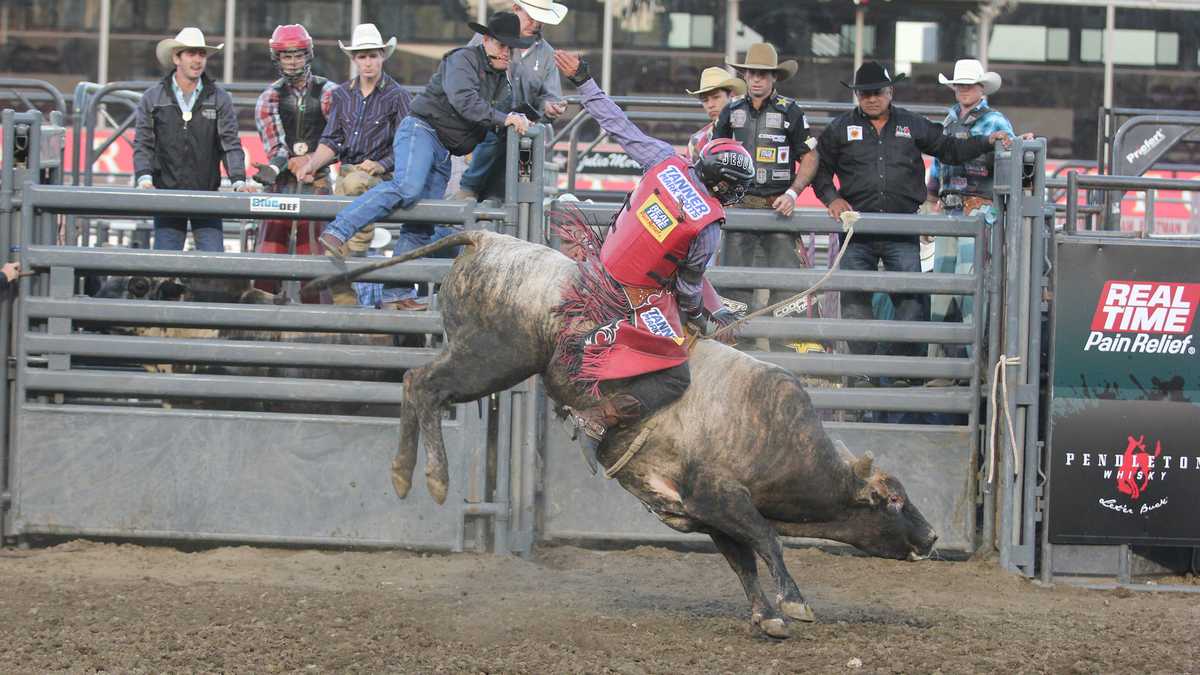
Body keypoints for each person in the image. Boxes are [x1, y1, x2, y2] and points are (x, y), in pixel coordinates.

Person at [552, 50, 755, 472]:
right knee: (676, 375)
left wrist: (584, 80)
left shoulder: (666, 160)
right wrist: (702, 317)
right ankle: (598, 419)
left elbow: (618, 125)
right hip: (632, 296)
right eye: (735, 187)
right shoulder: (709, 226)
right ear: (723, 183)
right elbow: (686, 288)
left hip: (598, 267)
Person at [318, 12, 557, 305]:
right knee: (408, 187)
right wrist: (508, 117)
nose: (506, 52)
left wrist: (533, 112)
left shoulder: (501, 84)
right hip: (423, 130)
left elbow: (498, 113)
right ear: (485, 41)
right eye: (501, 45)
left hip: (444, 149)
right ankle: (339, 230)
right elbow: (465, 102)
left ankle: (397, 292)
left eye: (511, 47)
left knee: (423, 222)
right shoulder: (463, 60)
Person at [813, 61, 1011, 387]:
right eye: (865, 94)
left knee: (910, 300)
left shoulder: (912, 124)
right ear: (857, 96)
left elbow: (949, 148)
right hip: (857, 226)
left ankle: (903, 371)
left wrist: (987, 142)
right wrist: (831, 198)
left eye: (877, 92)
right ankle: (865, 372)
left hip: (900, 225)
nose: (871, 99)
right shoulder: (841, 128)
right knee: (855, 298)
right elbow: (820, 166)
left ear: (889, 92)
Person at [293, 23, 412, 305]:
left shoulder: (398, 95)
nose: (368, 62)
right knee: (348, 184)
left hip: (379, 178)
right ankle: (347, 301)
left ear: (382, 56)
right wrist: (311, 163)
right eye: (362, 56)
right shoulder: (342, 95)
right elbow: (332, 139)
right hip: (346, 174)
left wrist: (381, 164)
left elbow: (408, 144)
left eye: (372, 55)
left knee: (354, 186)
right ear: (354, 59)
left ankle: (349, 253)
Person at [713, 43, 819, 350]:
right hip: (740, 207)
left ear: (774, 78)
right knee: (734, 280)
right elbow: (714, 154)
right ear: (745, 76)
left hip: (778, 206)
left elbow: (810, 155)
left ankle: (783, 344)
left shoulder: (791, 110)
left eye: (763, 74)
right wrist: (721, 192)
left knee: (784, 279)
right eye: (751, 73)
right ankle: (737, 343)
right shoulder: (731, 112)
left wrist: (793, 192)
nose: (756, 79)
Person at [134, 27, 256, 252]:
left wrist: (238, 180)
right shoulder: (153, 98)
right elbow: (143, 143)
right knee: (166, 267)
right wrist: (144, 177)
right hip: (166, 194)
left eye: (201, 54)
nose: (197, 60)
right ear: (176, 58)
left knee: (213, 265)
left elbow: (229, 143)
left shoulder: (219, 98)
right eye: (191, 53)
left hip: (207, 194)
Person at [926, 59, 1015, 363]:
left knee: (969, 288)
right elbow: (938, 164)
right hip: (951, 209)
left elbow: (1010, 162)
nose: (963, 90)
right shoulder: (950, 119)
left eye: (968, 85)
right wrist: (931, 199)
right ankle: (937, 363)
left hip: (979, 211)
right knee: (942, 288)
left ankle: (972, 362)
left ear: (980, 88)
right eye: (959, 85)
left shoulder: (995, 122)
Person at [454, 0, 569, 201]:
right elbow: (463, 77)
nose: (536, 24)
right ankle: (469, 189)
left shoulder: (547, 54)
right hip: (482, 131)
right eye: (532, 17)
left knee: (517, 198)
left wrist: (549, 107)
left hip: (520, 138)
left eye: (541, 20)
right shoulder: (486, 39)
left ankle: (472, 190)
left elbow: (550, 97)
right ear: (516, 9)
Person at [252, 25, 339, 270]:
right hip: (280, 182)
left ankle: (315, 305)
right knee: (270, 250)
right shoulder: (269, 98)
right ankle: (265, 300)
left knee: (314, 251)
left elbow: (338, 140)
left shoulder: (330, 93)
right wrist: (276, 167)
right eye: (286, 56)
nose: (292, 62)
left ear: (308, 55)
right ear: (277, 59)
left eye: (298, 55)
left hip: (318, 180)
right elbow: (277, 148)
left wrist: (312, 160)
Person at [685, 67, 745, 163]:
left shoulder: (751, 130)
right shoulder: (696, 141)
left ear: (732, 95)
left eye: (716, 97)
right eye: (705, 100)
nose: (710, 105)